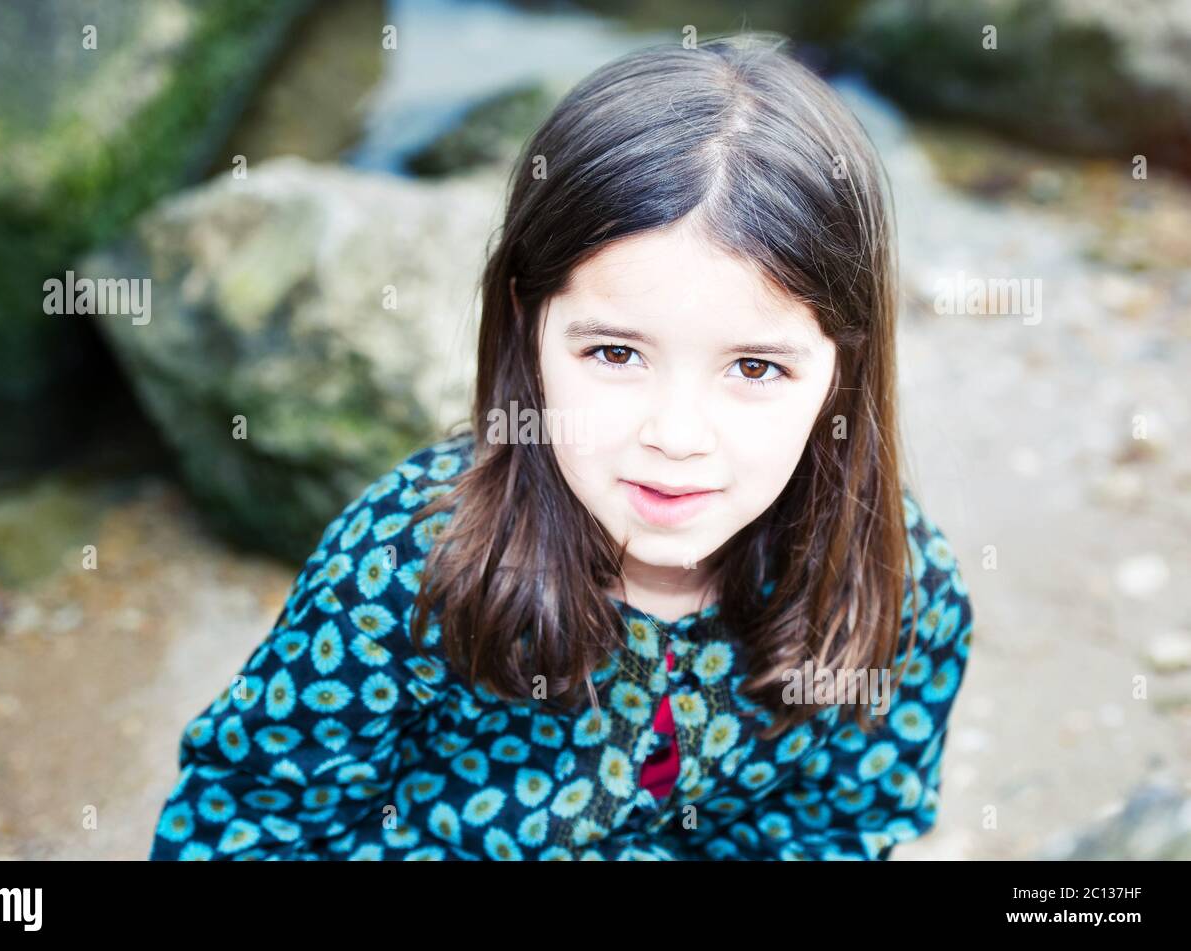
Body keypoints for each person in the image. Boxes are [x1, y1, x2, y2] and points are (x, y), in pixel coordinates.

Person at [148, 31, 974, 861]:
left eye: (754, 366)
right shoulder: (405, 566)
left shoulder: (900, 589)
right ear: (525, 322)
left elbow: (838, 830)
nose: (676, 438)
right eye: (616, 354)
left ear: (846, 363)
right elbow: (245, 824)